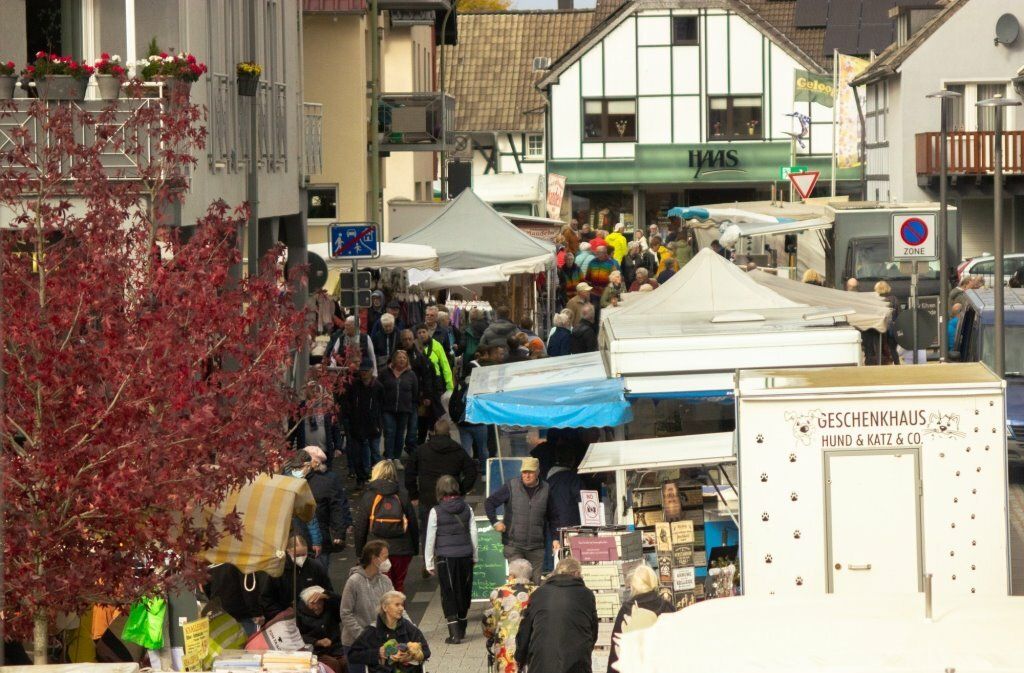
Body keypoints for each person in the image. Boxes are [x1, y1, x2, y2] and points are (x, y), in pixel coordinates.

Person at [514, 557, 597, 673]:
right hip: (577, 662)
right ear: (577, 573)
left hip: (541, 661)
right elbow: (593, 632)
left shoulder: (539, 593)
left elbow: (525, 630)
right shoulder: (586, 594)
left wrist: (520, 658)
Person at [406, 418, 479, 548]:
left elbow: (409, 472)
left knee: (428, 534)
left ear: (434, 432)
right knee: (451, 532)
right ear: (449, 432)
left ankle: (428, 563)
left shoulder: (422, 450)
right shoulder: (458, 450)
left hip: (427, 497)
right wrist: (461, 489)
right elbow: (472, 472)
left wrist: (414, 494)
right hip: (451, 496)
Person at [424, 475, 479, 644]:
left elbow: (430, 538)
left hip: (445, 558)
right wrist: (475, 555)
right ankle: (462, 628)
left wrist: (429, 562)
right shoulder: (467, 508)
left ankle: (454, 634)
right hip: (465, 555)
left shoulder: (436, 511)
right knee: (463, 590)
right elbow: (474, 534)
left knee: (449, 593)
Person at [353, 460, 419, 592]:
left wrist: (360, 553)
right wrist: (414, 548)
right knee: (398, 585)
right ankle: (398, 611)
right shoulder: (402, 495)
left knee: (379, 588)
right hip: (402, 549)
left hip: (376, 549)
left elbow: (360, 527)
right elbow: (413, 522)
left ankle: (382, 612)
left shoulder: (369, 496)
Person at [484, 457, 553, 584]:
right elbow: (490, 503)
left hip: (537, 547)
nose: (526, 475)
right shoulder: (511, 486)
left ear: (538, 472)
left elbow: (552, 516)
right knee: (517, 584)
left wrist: (555, 539)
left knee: (535, 585)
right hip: (514, 545)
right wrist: (495, 522)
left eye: (530, 472)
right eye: (524, 472)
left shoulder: (546, 489)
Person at [606, 565, 675, 673]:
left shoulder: (626, 610)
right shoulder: (667, 608)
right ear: (653, 582)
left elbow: (617, 646)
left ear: (633, 585)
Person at [340, 540, 395, 673]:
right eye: (385, 557)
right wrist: (363, 637)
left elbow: (396, 606)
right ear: (374, 558)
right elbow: (345, 613)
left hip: (383, 641)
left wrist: (411, 628)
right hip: (356, 644)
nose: (388, 561)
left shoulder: (386, 581)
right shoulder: (354, 582)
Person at [347, 591, 430, 673]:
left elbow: (426, 651)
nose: (401, 608)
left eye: (402, 605)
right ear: (385, 607)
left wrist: (410, 657)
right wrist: (378, 653)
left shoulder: (408, 627)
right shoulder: (372, 630)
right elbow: (352, 655)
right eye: (397, 605)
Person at [261, 535, 336, 621]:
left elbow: (329, 591)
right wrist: (281, 615)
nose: (301, 558)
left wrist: (323, 598)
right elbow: (267, 598)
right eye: (297, 555)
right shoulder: (277, 570)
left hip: (312, 619)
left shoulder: (316, 567)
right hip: (286, 620)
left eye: (304, 554)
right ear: (288, 551)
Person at [482, 559, 537, 673]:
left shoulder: (499, 593)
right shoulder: (539, 592)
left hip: (506, 647)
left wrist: (489, 634)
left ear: (511, 575)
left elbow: (489, 621)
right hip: (532, 645)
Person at [303, 446, 353, 568]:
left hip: (306, 537)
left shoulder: (299, 480)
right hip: (321, 535)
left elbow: (337, 506)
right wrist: (340, 533)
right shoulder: (330, 479)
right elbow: (338, 506)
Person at [342, 361, 385, 488]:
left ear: (372, 371)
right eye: (362, 371)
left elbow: (382, 406)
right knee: (358, 454)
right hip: (357, 425)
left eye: (366, 371)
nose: (364, 373)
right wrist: (349, 419)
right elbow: (347, 403)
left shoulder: (378, 387)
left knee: (375, 453)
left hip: (373, 425)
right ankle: (361, 478)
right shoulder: (354, 385)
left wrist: (379, 424)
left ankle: (377, 478)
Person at [290, 383, 344, 469]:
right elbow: (292, 431)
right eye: (312, 390)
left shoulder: (328, 409)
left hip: (324, 453)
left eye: (318, 391)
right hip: (305, 454)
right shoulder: (299, 409)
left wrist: (338, 447)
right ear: (307, 391)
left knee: (325, 478)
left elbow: (335, 429)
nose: (315, 392)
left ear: (322, 393)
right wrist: (288, 450)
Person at [204, 564, 268, 636]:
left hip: (219, 612)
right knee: (247, 645)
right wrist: (257, 613)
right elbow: (248, 587)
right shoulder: (242, 559)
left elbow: (206, 584)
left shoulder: (216, 557)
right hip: (241, 613)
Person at [379, 350, 418, 464]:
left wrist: (411, 407)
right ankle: (389, 458)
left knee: (400, 434)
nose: (401, 360)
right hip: (388, 409)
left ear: (407, 360)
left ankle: (397, 458)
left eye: (404, 358)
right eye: (399, 357)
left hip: (404, 409)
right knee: (390, 432)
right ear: (394, 359)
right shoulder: (385, 372)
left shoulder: (411, 374)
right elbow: (379, 389)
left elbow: (415, 393)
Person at [296, 585, 345, 673]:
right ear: (306, 603)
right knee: (333, 664)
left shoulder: (330, 608)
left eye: (320, 602)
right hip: (316, 652)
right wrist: (316, 642)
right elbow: (297, 636)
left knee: (348, 662)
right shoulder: (298, 614)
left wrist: (329, 595)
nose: (317, 606)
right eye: (313, 603)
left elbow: (345, 604)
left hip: (336, 648)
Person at [546, 447, 583, 557]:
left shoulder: (548, 481)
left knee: (558, 561)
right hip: (572, 527)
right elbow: (582, 501)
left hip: (553, 530)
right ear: (572, 461)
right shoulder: (574, 479)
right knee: (573, 559)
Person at [875, 280, 901, 366]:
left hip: (880, 329)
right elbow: (899, 314)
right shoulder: (894, 299)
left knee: (880, 349)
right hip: (892, 330)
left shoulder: (876, 300)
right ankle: (897, 364)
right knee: (893, 349)